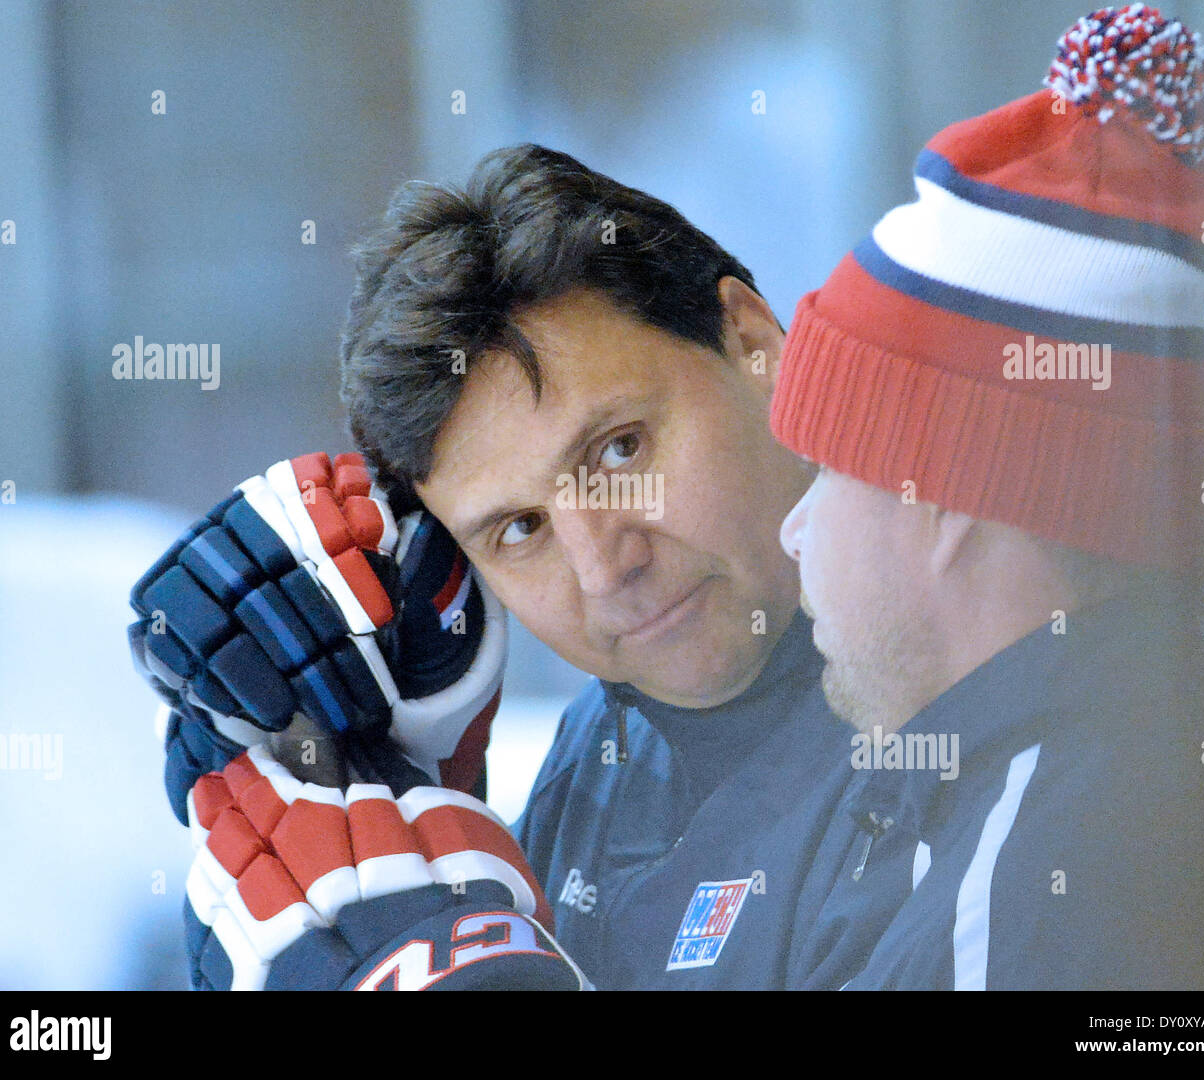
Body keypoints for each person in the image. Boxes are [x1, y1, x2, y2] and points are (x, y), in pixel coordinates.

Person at [130, 144, 857, 989]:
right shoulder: (603, 755)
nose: (602, 568)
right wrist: (404, 779)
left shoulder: (960, 694)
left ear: (752, 340)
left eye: (618, 450)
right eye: (519, 528)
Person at [773, 4, 1204, 990]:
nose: (792, 531)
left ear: (943, 499)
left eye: (827, 468)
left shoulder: (1033, 897)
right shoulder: (1099, 788)